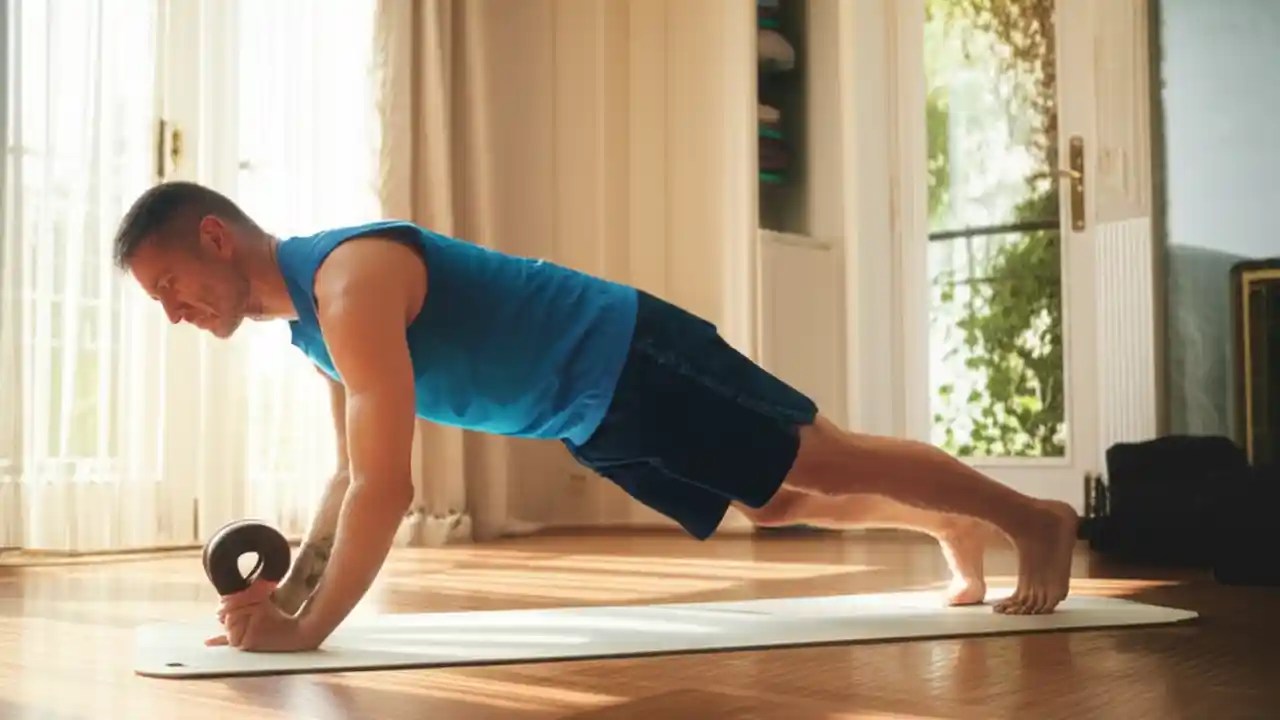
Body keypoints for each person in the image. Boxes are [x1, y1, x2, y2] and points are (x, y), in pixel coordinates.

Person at [112, 182, 1079, 653]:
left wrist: (312, 629)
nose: (173, 311)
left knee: (822, 460)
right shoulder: (315, 330)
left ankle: (1030, 519)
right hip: (584, 409)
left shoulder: (349, 281)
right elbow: (344, 477)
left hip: (627, 352)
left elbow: (387, 484)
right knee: (777, 504)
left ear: (213, 237)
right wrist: (282, 606)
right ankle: (949, 520)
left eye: (170, 285)